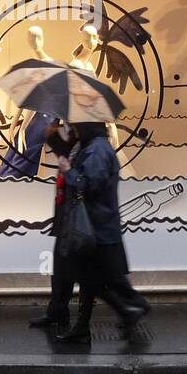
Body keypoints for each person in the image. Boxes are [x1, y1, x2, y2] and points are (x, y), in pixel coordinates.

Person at [53, 120, 149, 344]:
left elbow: (88, 185)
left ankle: (130, 309)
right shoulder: (95, 146)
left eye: (76, 125)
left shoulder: (96, 150)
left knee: (91, 279)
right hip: (99, 226)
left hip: (96, 226)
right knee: (95, 279)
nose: (73, 128)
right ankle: (91, 323)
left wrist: (68, 172)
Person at [28, 121, 91, 333]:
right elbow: (58, 146)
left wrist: (69, 170)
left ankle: (81, 322)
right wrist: (52, 130)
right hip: (66, 215)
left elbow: (87, 182)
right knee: (61, 267)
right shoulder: (74, 142)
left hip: (77, 219)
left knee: (78, 270)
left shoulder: (89, 148)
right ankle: (57, 311)